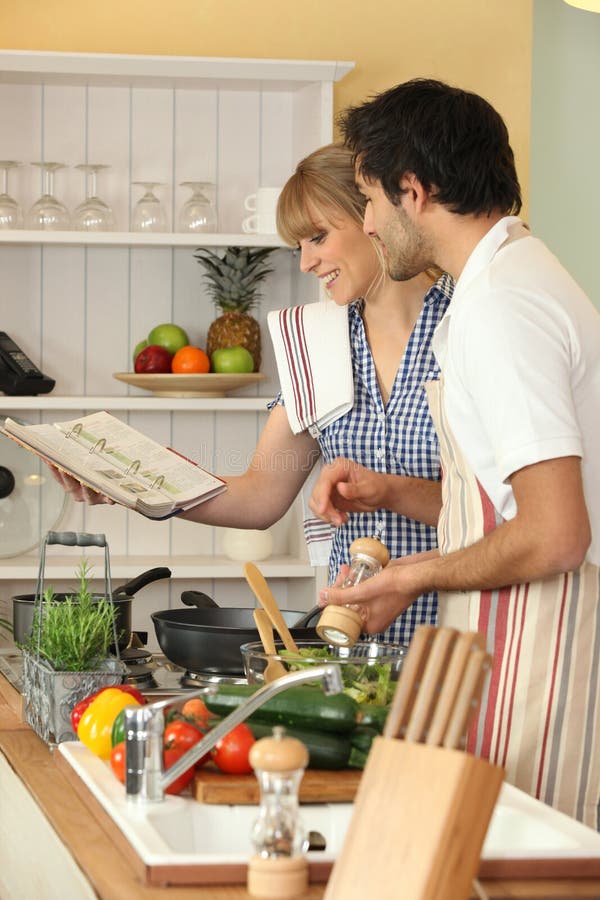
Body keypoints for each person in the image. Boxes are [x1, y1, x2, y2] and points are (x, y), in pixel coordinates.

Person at [314, 79, 600, 827]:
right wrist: (398, 494)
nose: (368, 223)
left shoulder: (502, 310)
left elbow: (557, 533)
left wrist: (411, 575)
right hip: (511, 638)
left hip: (542, 649)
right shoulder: (507, 283)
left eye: (372, 198)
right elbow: (510, 502)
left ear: (415, 190)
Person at [51, 143, 453, 645]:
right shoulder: (314, 340)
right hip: (353, 642)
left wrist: (390, 489)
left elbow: (499, 512)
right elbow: (262, 493)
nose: (306, 262)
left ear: (371, 212)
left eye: (318, 237)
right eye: (298, 246)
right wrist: (139, 485)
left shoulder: (467, 322)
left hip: (459, 638)